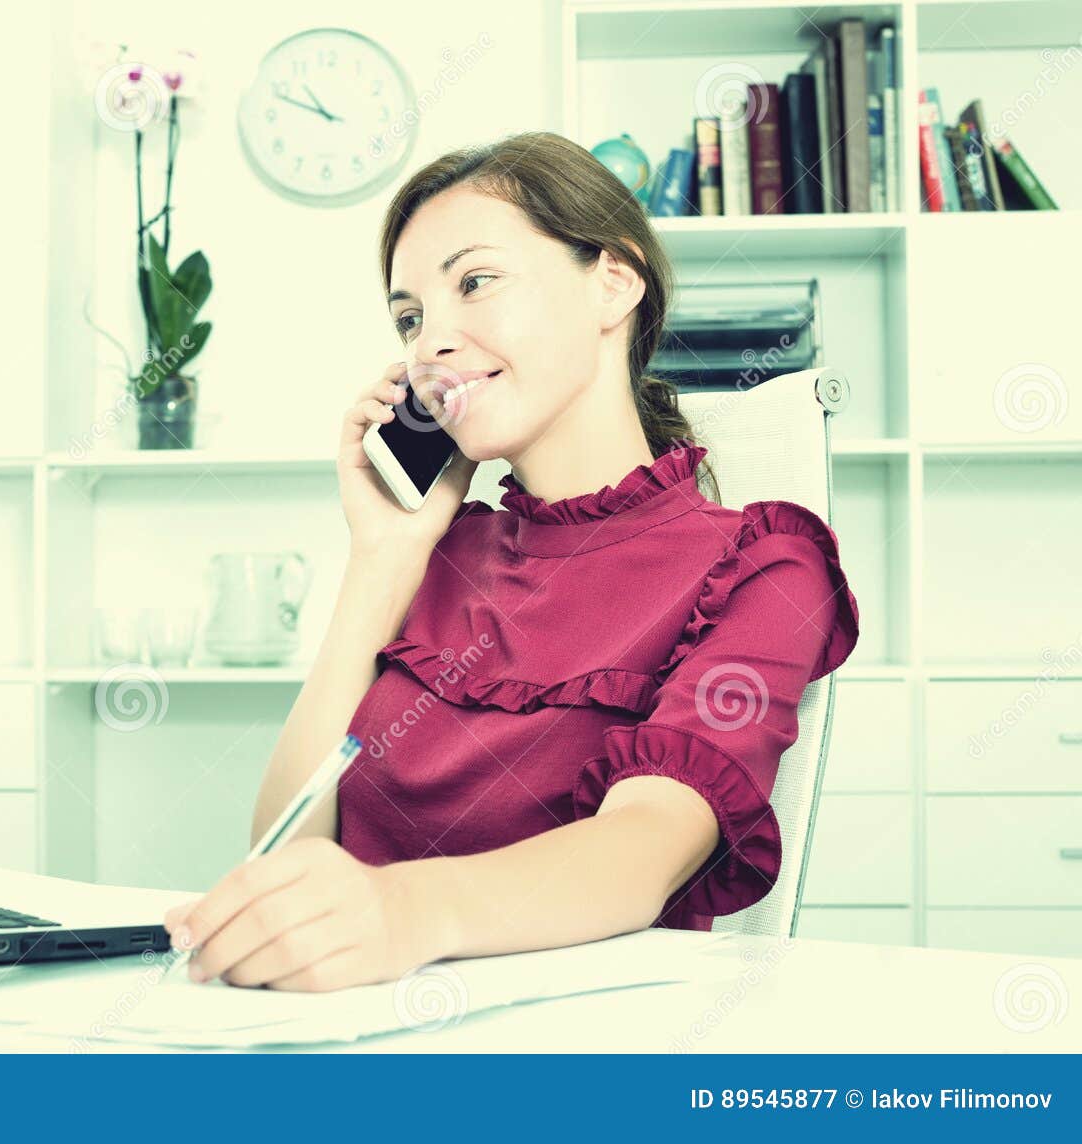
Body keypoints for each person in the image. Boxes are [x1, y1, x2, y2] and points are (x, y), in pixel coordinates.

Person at [162, 131, 859, 992]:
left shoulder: (763, 563)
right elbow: (288, 847)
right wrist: (380, 556)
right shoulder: (439, 554)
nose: (429, 346)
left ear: (613, 282)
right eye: (410, 318)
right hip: (344, 1028)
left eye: (475, 283)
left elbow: (644, 850)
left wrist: (403, 914)